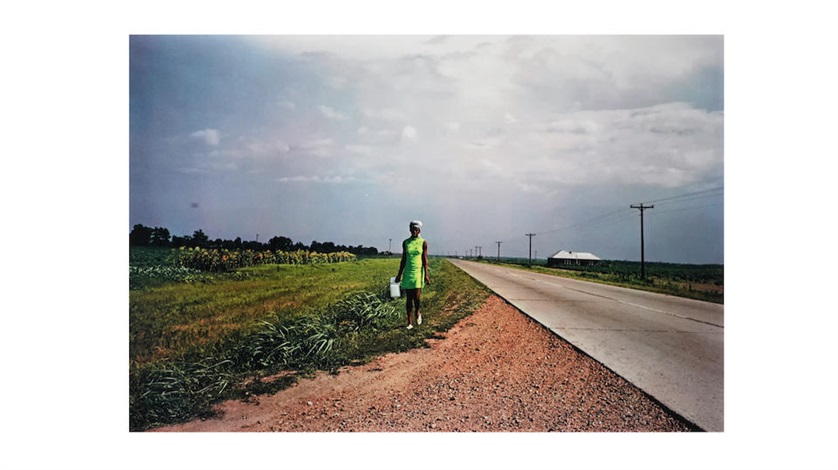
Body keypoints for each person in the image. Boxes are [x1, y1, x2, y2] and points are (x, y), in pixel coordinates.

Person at [395, 220, 430, 329]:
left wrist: (426, 275)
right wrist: (399, 274)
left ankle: (418, 311)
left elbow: (425, 259)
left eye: (416, 230)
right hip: (408, 272)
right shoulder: (406, 242)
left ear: (419, 231)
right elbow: (403, 259)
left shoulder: (423, 242)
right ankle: (409, 323)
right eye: (412, 229)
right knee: (409, 298)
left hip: (418, 272)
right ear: (410, 230)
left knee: (417, 297)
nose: (414, 231)